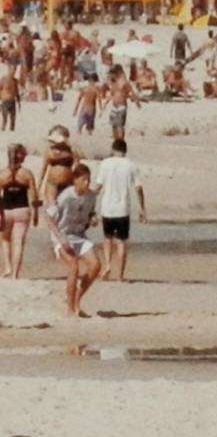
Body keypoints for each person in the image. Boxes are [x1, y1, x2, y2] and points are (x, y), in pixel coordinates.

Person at [53, 162, 104, 316]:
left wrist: (94, 218)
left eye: (88, 179)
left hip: (79, 235)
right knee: (74, 267)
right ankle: (69, 309)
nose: (87, 183)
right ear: (75, 180)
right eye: (83, 179)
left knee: (96, 265)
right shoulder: (66, 196)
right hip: (62, 235)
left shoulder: (91, 196)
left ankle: (76, 300)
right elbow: (48, 217)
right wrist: (61, 238)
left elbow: (91, 213)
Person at [94, 135, 146, 283]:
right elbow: (139, 188)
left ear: (113, 149)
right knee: (121, 242)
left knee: (107, 239)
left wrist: (90, 202)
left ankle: (108, 265)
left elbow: (98, 186)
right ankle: (120, 276)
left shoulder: (105, 164)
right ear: (125, 151)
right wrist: (142, 208)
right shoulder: (131, 165)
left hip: (107, 208)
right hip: (122, 209)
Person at [0, 143, 40, 278]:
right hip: (22, 210)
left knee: (5, 240)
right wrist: (36, 215)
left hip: (6, 211)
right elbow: (34, 197)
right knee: (19, 242)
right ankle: (15, 274)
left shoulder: (2, 174)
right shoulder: (27, 174)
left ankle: (7, 267)